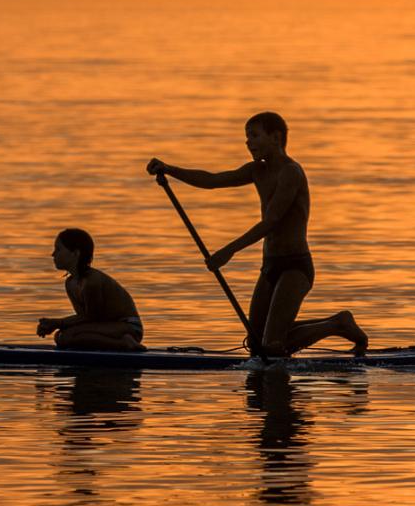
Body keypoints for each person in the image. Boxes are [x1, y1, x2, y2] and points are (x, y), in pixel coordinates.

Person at [146, 111, 368, 359]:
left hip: (295, 266)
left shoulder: (291, 172)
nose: (248, 142)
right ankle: (337, 320)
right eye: (246, 137)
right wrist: (169, 169)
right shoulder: (256, 171)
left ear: (275, 138)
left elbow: (271, 222)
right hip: (270, 265)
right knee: (256, 341)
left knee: (272, 347)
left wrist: (228, 251)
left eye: (254, 135)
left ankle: (338, 325)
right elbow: (213, 180)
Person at [37, 228, 145, 351]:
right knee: (62, 336)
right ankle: (121, 342)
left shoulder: (92, 281)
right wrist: (55, 325)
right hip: (105, 326)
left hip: (129, 327)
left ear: (75, 253)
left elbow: (92, 317)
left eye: (58, 249)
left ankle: (125, 344)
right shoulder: (70, 283)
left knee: (66, 337)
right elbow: (83, 317)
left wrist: (58, 323)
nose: (53, 254)